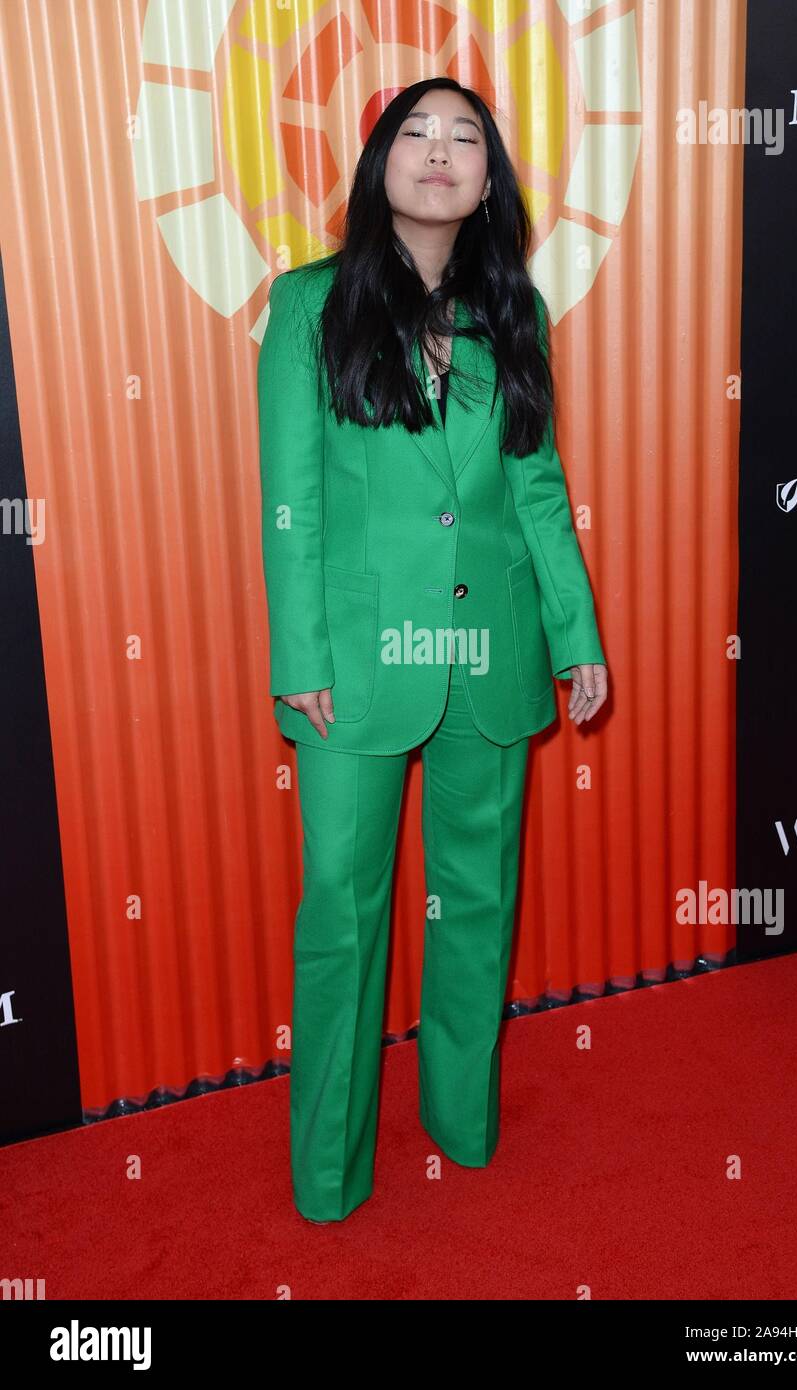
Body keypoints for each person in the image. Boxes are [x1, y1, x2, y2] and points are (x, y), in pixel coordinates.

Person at [257, 77, 608, 1223]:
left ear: (487, 178)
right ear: (380, 165)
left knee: (476, 896)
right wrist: (299, 652)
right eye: (416, 133)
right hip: (352, 664)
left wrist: (574, 630)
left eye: (465, 138)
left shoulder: (518, 312)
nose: (440, 152)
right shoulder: (308, 307)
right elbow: (292, 502)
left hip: (491, 648)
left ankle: (461, 1116)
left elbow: (535, 486)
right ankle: (328, 1171)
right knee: (342, 912)